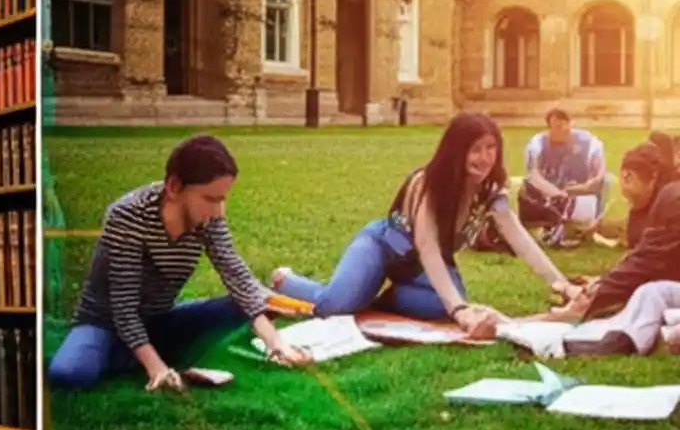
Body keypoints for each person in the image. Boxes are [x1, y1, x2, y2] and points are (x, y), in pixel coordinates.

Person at [271, 112, 579, 336]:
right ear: (457, 151)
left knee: (446, 305)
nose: (484, 158)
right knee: (335, 306)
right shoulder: (428, 183)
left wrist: (561, 283)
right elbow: (428, 247)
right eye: (475, 149)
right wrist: (458, 310)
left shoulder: (491, 188)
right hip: (384, 247)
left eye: (490, 148)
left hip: (419, 269)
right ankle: (286, 281)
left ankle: (385, 299)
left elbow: (518, 237)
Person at [47, 134, 312, 391]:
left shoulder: (209, 218)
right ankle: (127, 354)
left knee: (246, 300)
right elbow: (123, 308)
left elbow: (236, 275)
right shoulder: (127, 215)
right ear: (174, 187)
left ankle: (133, 354)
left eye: (222, 199)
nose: (218, 211)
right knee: (69, 374)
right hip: (105, 322)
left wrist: (277, 345)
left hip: (160, 319)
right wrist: (157, 369)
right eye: (210, 198)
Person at [545, 145, 680, 324]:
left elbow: (645, 263)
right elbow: (639, 258)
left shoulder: (671, 202)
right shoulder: (643, 209)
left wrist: (597, 294)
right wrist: (603, 281)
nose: (624, 184)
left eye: (628, 177)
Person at [519, 108, 609, 247]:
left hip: (579, 196)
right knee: (526, 189)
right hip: (549, 196)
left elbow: (599, 177)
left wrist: (577, 190)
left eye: (565, 125)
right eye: (557, 127)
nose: (563, 130)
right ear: (549, 128)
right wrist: (556, 193)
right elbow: (534, 175)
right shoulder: (538, 144)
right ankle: (548, 225)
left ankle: (576, 224)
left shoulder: (590, 143)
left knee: (604, 184)